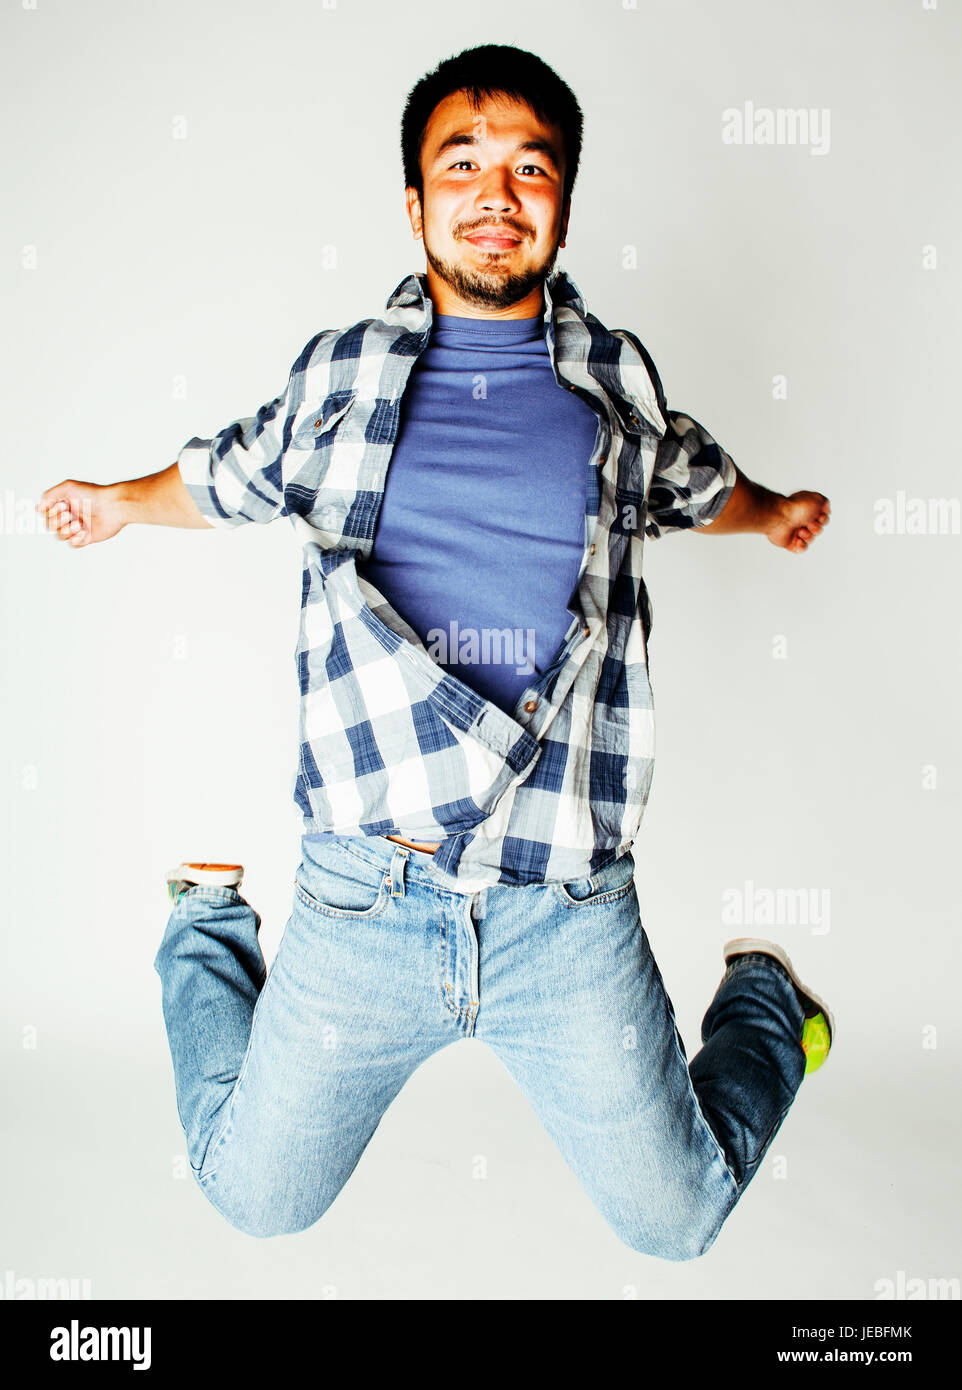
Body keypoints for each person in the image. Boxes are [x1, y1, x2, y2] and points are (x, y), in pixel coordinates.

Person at [36, 44, 833, 1259]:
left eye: (528, 166)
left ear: (561, 199)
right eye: (460, 165)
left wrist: (770, 511)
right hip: (368, 896)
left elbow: (692, 478)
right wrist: (120, 500)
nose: (494, 194)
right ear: (415, 203)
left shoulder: (614, 380)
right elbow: (233, 472)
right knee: (254, 1198)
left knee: (675, 1222)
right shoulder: (342, 372)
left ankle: (767, 998)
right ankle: (204, 922)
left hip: (564, 906)